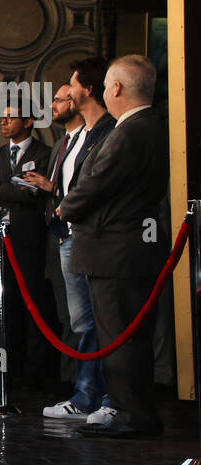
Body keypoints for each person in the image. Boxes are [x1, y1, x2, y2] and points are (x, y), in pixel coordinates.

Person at [58, 55, 169, 436]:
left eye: (107, 85)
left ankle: (130, 413)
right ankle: (131, 410)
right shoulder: (151, 126)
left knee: (120, 337)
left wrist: (65, 206)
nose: (105, 92)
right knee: (126, 336)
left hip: (116, 251)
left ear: (117, 88)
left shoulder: (130, 130)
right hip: (128, 249)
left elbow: (98, 182)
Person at [24, 71, 115, 419]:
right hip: (64, 236)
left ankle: (101, 398)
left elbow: (92, 187)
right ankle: (85, 396)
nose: (56, 104)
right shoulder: (65, 142)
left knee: (100, 321)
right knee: (80, 322)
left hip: (92, 236)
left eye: (63, 97)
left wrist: (55, 193)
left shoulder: (104, 133)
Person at [0, 106, 51, 383]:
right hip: (0, 240)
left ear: (28, 121)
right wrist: (13, 190)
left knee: (33, 304)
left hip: (30, 240)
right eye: (3, 116)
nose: (4, 121)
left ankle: (35, 373)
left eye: (11, 117)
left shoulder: (45, 154)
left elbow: (35, 193)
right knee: (0, 306)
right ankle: (2, 373)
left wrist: (5, 191)